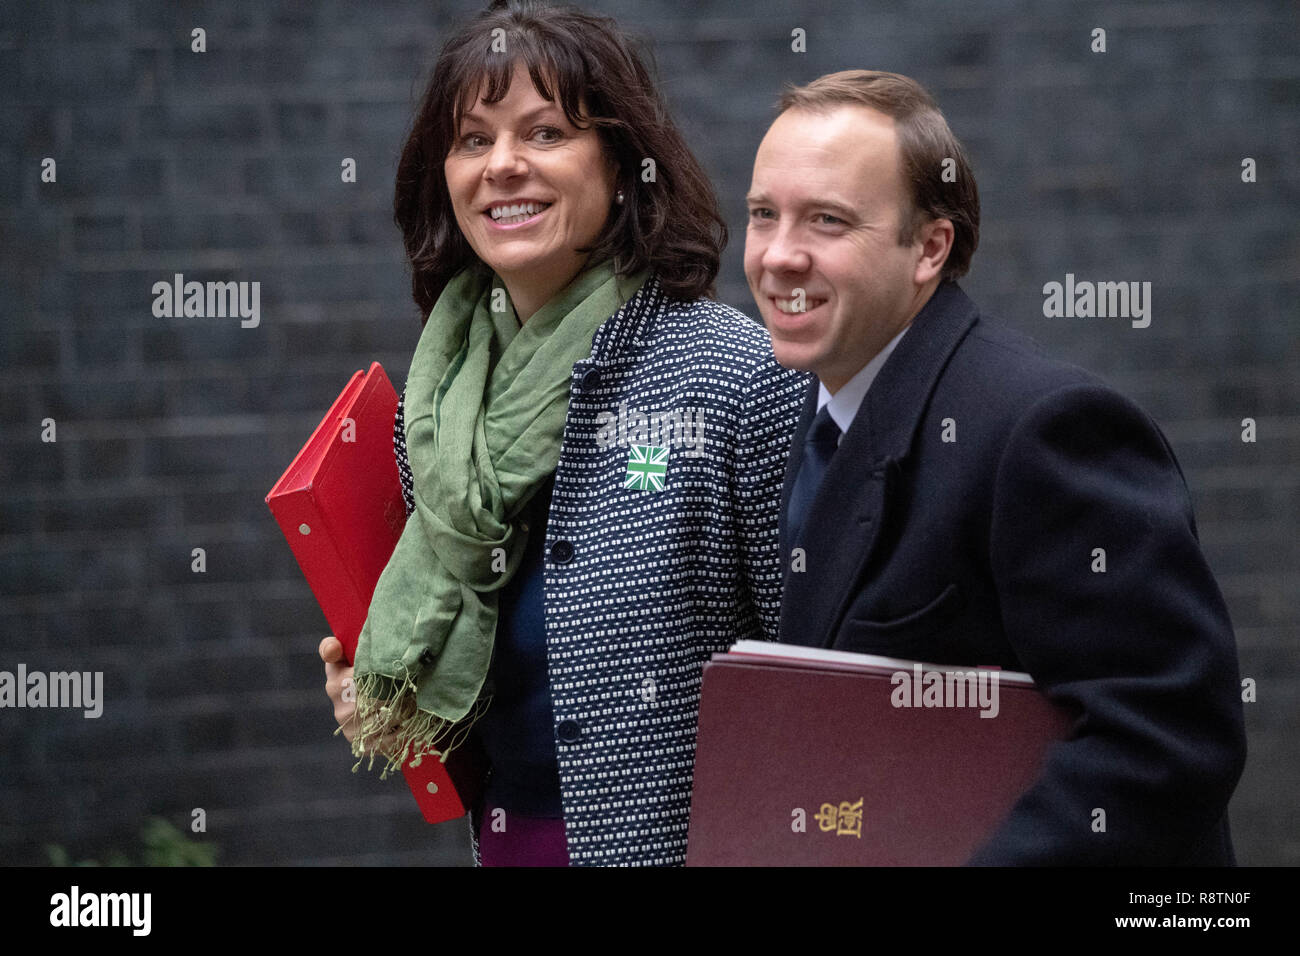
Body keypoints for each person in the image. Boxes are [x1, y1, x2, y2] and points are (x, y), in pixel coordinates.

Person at [319, 0, 807, 867]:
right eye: (473, 140)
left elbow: (815, 681)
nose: (502, 165)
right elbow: (483, 701)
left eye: (544, 133)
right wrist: (387, 696)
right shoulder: (437, 408)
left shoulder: (736, 373)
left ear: (622, 166)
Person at [744, 69, 1246, 864]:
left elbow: (1167, 737)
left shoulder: (1047, 429)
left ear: (930, 248)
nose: (778, 257)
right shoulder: (794, 415)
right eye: (764, 215)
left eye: (828, 222)